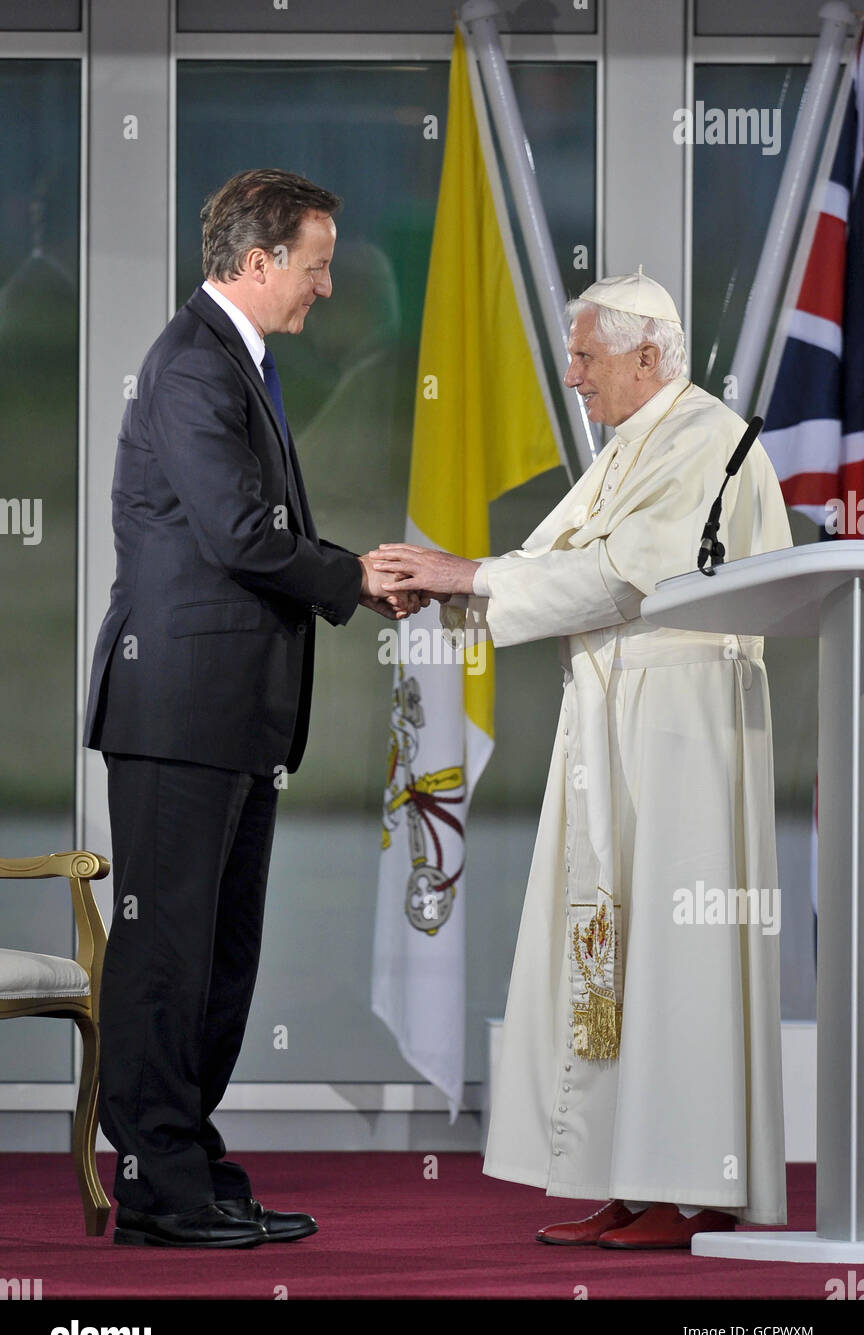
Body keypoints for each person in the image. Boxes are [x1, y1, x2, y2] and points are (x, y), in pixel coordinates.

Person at [372, 269, 792, 1249]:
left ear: (649, 355)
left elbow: (612, 579)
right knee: (614, 955)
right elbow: (545, 571)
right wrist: (448, 594)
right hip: (615, 722)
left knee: (676, 959)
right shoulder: (629, 449)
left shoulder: (706, 442)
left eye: (584, 357)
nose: (571, 377)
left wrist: (463, 578)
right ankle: (628, 1173)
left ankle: (697, 1180)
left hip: (683, 734)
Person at [83, 168, 423, 1249]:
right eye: (317, 264)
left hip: (229, 720)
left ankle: (190, 1157)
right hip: (177, 714)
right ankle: (156, 1186)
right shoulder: (193, 365)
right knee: (167, 956)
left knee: (218, 958)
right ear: (260, 260)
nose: (327, 285)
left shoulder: (239, 361)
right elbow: (238, 532)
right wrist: (353, 577)